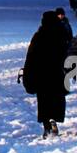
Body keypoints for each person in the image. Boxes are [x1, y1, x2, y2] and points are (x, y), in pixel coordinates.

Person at [22, 9, 72, 138]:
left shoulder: (39, 36)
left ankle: (47, 126)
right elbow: (68, 53)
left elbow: (31, 56)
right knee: (57, 98)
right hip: (58, 73)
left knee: (44, 100)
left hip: (41, 74)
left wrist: (28, 72)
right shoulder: (62, 35)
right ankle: (54, 119)